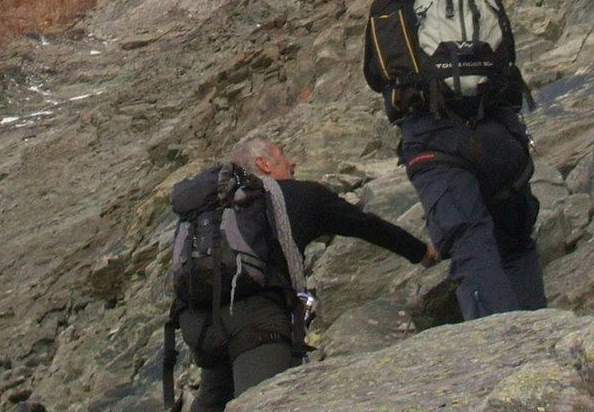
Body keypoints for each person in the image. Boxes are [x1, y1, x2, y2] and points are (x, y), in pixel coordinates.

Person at [363, 0, 546, 321]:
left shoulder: (390, 5)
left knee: (471, 244)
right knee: (516, 244)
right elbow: (507, 56)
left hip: (434, 143)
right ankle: (541, 330)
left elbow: (377, 75)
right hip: (499, 134)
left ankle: (502, 350)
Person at [167, 137, 435, 411]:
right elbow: (366, 225)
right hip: (257, 324)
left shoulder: (208, 208)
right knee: (262, 403)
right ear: (264, 164)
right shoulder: (299, 196)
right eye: (282, 156)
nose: (292, 162)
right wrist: (421, 252)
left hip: (198, 325)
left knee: (215, 394)